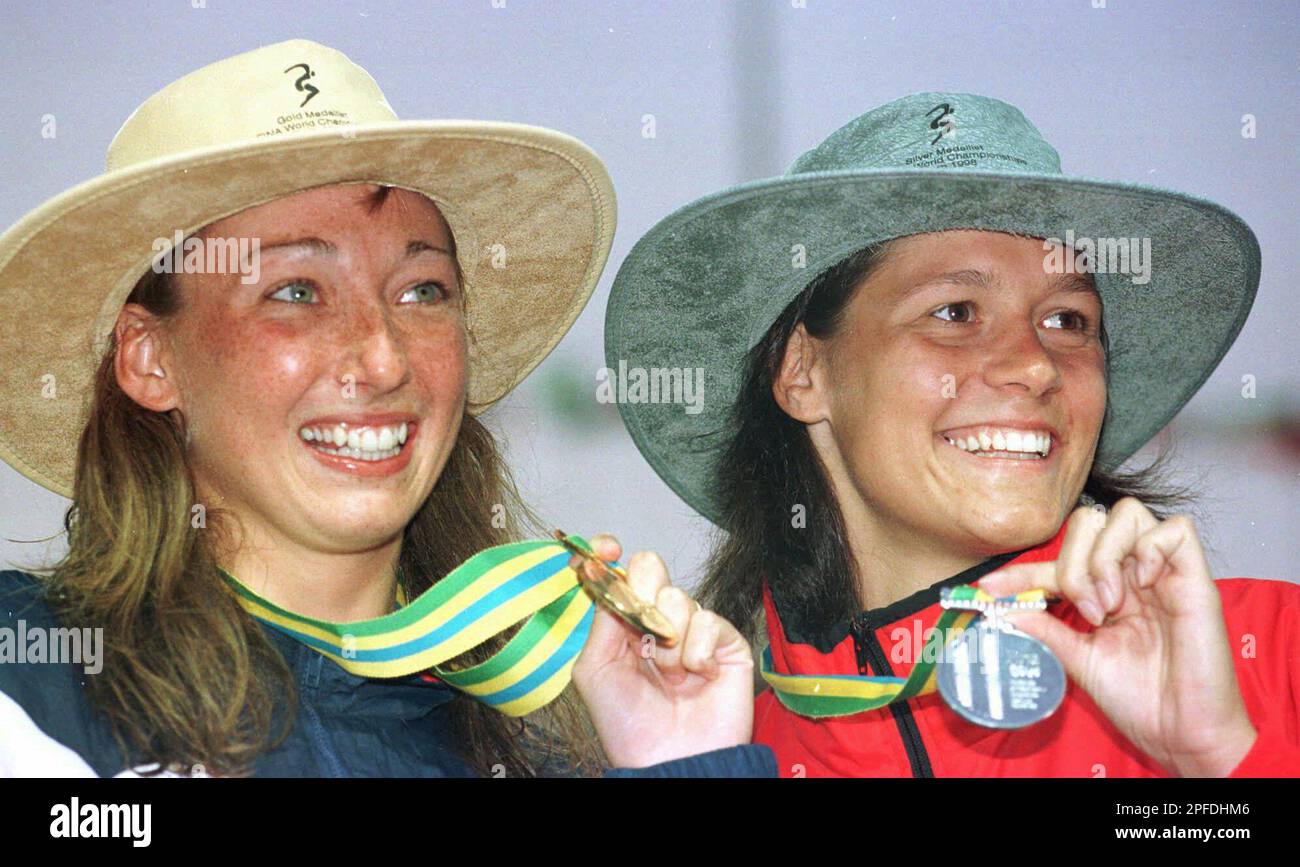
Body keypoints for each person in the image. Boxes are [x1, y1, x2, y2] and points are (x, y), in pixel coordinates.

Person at [0, 39, 775, 778]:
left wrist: (680, 761)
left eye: (421, 291)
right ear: (148, 357)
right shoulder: (27, 681)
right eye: (295, 292)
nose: (383, 359)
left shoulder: (539, 746)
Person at [604, 91, 1300, 777]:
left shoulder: (1271, 656)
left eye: (1068, 321)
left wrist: (1228, 761)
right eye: (957, 311)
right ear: (803, 371)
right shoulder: (719, 749)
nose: (1035, 365)